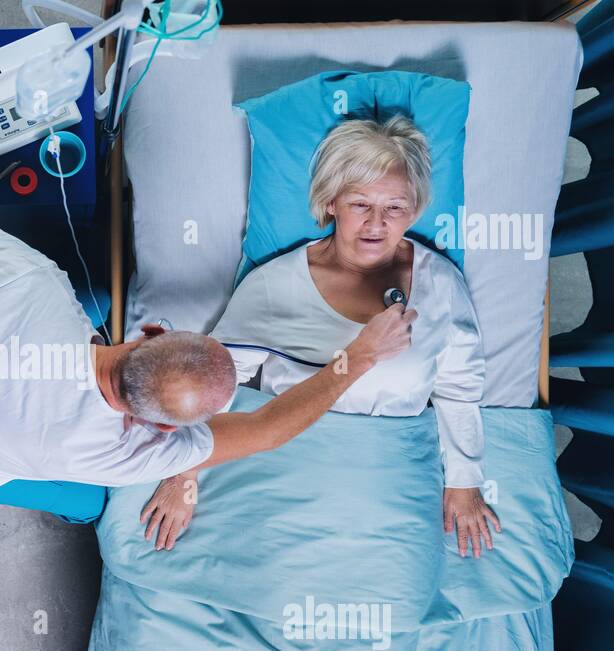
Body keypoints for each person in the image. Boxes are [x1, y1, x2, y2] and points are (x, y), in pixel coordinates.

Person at [0, 219, 413, 521]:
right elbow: (266, 430)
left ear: (150, 331)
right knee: (91, 503)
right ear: (165, 428)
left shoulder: (36, 288)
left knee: (95, 289)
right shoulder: (126, 460)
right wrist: (360, 357)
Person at [141, 115, 499, 556]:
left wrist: (464, 480)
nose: (376, 223)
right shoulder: (275, 286)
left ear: (415, 209)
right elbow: (217, 382)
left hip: (388, 468)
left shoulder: (440, 284)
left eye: (395, 207)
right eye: (360, 204)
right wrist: (185, 474)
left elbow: (459, 389)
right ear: (331, 202)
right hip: (291, 455)